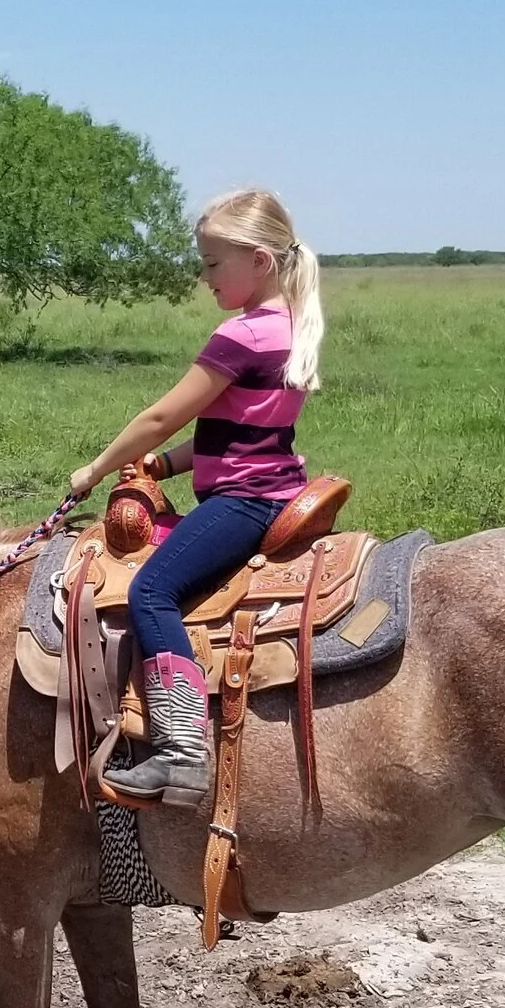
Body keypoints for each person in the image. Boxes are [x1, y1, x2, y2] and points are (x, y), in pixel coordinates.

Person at [65, 188, 325, 807]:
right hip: (272, 484)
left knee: (153, 591)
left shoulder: (242, 334)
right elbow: (238, 432)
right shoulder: (286, 326)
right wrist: (162, 465)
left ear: (259, 261)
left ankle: (181, 753)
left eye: (214, 263)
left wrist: (97, 469)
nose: (205, 277)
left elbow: (162, 416)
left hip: (245, 500)